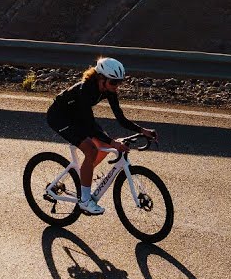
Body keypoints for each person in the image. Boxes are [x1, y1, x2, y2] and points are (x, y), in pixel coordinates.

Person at [46, 57, 157, 215]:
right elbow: (90, 125)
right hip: (60, 117)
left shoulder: (108, 90)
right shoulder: (86, 90)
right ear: (101, 78)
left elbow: (120, 118)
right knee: (91, 150)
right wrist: (113, 142)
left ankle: (83, 178)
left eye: (119, 83)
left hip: (78, 116)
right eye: (113, 82)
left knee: (104, 148)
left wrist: (142, 130)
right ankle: (85, 200)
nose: (116, 87)